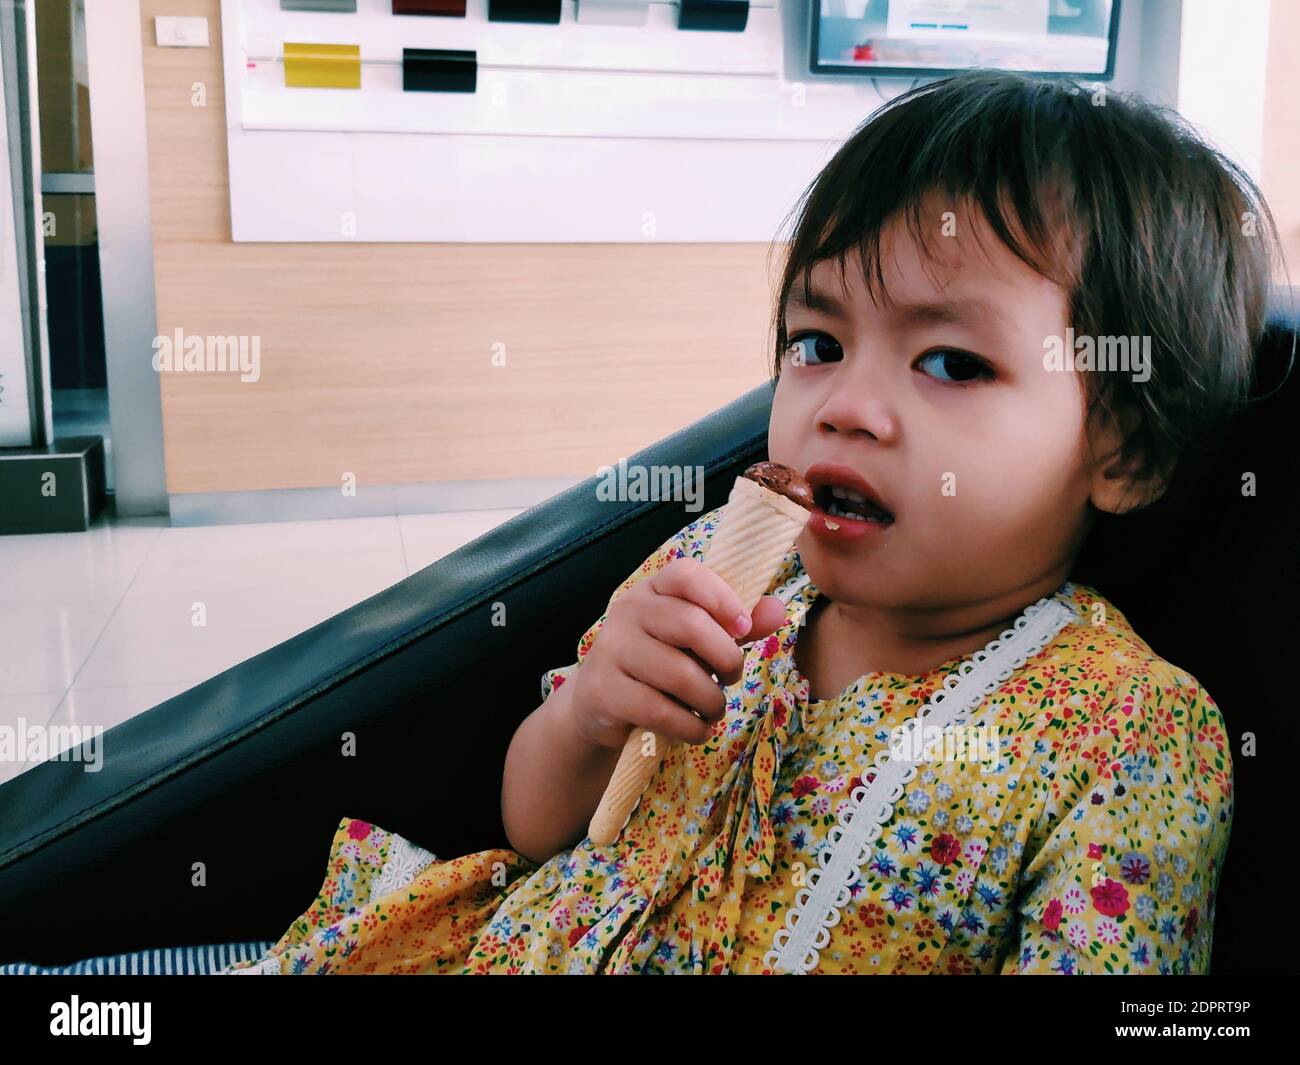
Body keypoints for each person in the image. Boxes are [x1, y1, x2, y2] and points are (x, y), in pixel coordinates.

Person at [6, 68, 1277, 976]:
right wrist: (589, 711)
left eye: (948, 365)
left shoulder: (1128, 737)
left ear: (1119, 446)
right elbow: (538, 827)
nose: (844, 407)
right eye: (816, 341)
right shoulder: (712, 584)